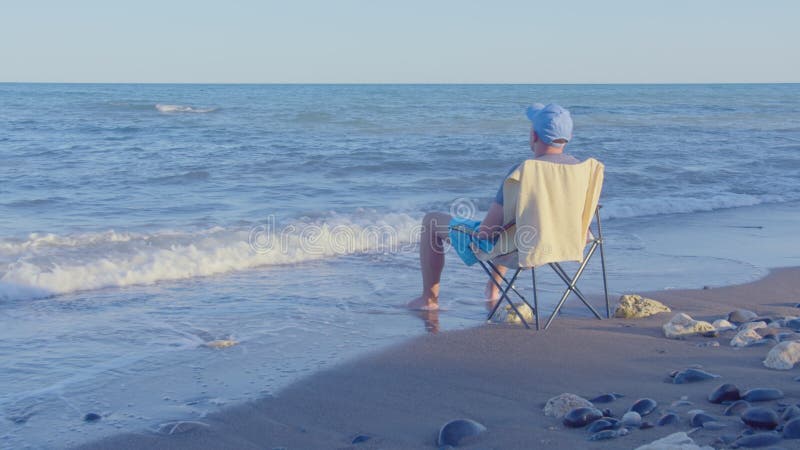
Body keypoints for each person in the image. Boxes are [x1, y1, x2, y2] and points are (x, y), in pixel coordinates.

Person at [406, 103, 581, 311]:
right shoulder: (582, 170)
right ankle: (493, 290)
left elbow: (487, 232)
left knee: (431, 221)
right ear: (568, 136)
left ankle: (429, 299)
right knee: (512, 225)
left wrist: (477, 230)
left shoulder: (524, 172)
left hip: (522, 250)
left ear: (534, 135)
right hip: (562, 245)